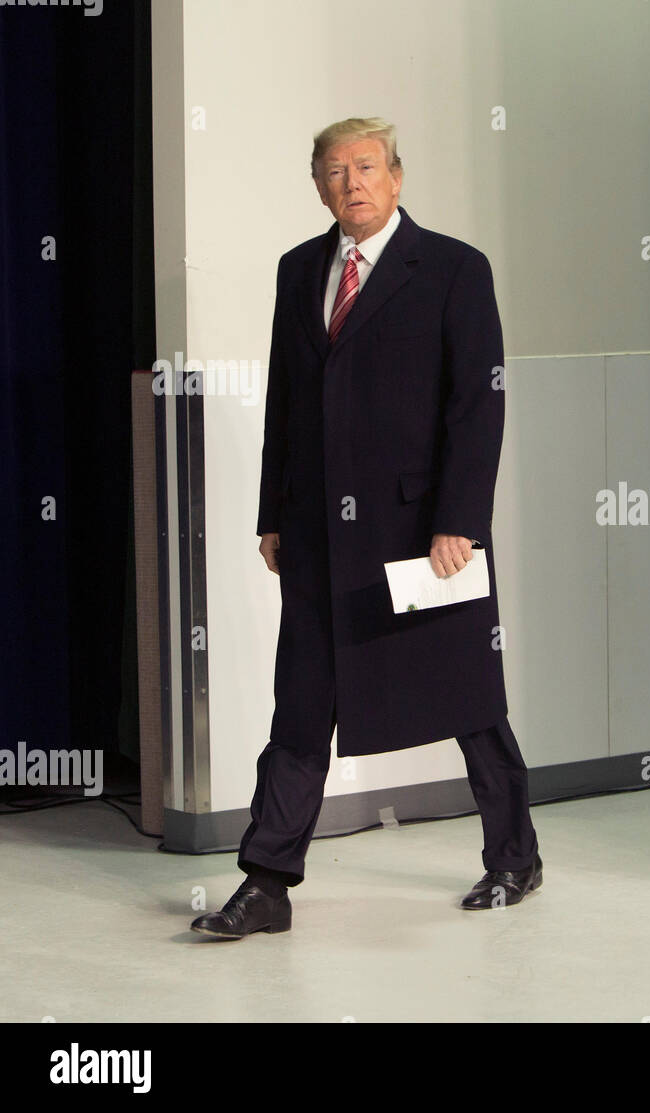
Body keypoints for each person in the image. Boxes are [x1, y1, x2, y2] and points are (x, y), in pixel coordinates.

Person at [191, 117, 540, 939]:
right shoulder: (299, 269)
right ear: (318, 185)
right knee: (302, 707)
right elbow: (286, 396)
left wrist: (460, 521)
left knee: (468, 699)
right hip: (319, 536)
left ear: (397, 177)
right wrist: (274, 513)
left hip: (422, 535)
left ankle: (514, 856)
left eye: (368, 165)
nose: (353, 181)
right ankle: (268, 881)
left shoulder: (455, 268)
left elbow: (476, 403)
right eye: (336, 169)